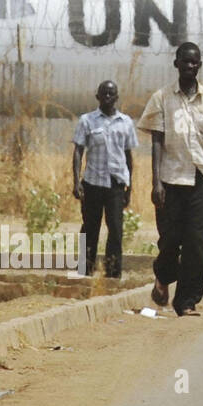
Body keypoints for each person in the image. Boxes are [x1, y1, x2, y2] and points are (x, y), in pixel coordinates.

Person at [137, 42, 203, 317]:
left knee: (197, 245)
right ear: (176, 64)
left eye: (195, 62)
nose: (190, 66)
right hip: (171, 179)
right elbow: (156, 142)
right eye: (185, 62)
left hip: (200, 179)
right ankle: (163, 278)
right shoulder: (162, 98)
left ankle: (186, 301)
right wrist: (156, 183)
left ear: (200, 65)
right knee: (170, 242)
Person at [71, 80, 138, 278]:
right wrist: (76, 181)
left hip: (116, 185)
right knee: (90, 228)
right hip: (92, 183)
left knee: (116, 230)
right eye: (104, 94)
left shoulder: (125, 123)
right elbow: (78, 152)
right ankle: (85, 270)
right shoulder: (87, 121)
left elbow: (128, 157)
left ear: (117, 97)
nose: (107, 97)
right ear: (97, 96)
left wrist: (130, 187)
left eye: (111, 94)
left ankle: (112, 272)